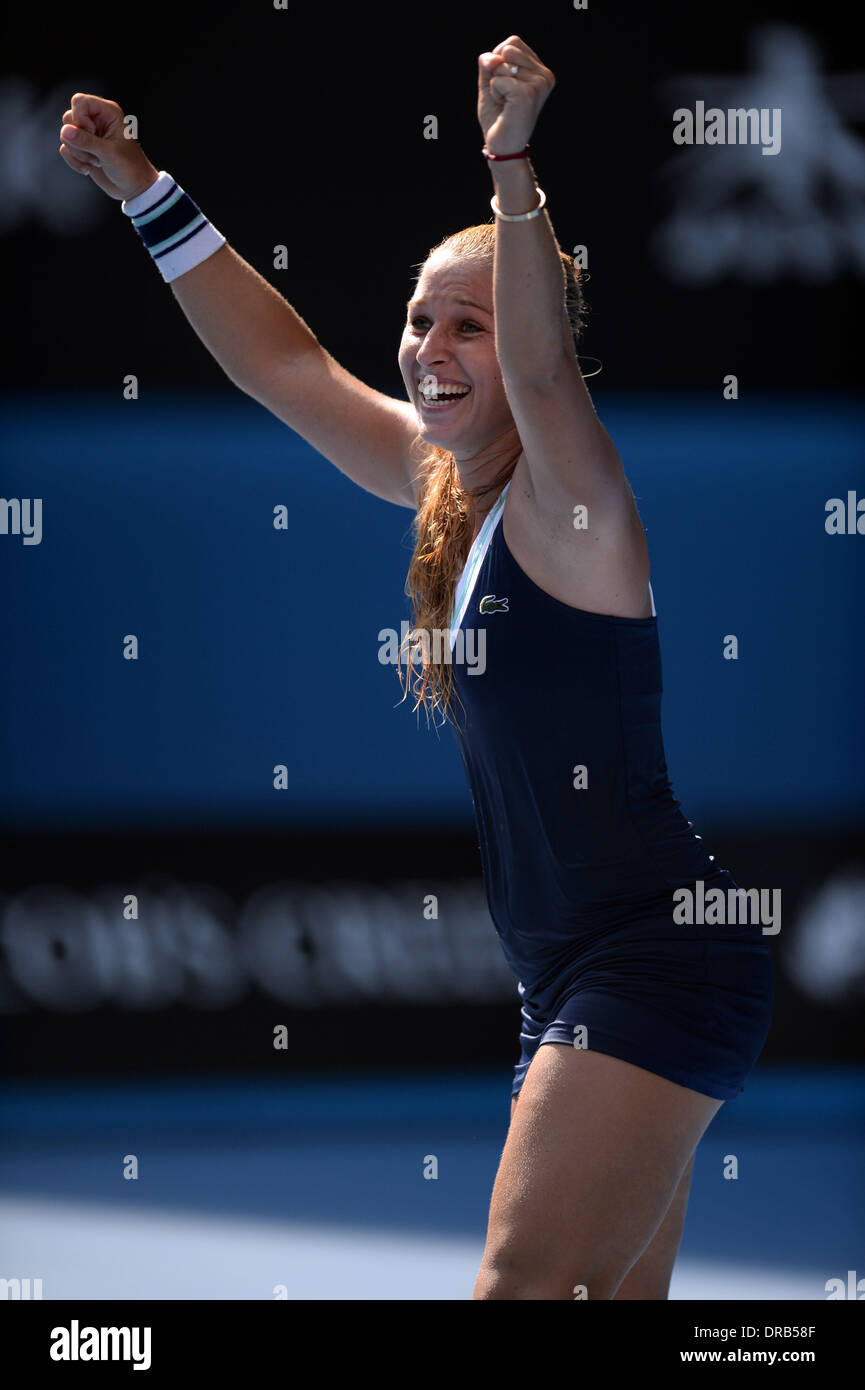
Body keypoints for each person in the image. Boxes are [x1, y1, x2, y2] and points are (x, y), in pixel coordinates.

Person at [59, 33, 774, 1301]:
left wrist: (510, 168)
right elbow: (285, 367)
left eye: (471, 324)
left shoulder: (576, 504)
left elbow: (549, 374)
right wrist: (145, 193)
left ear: (533, 340)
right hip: (575, 973)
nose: (429, 346)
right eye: (418, 317)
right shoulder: (446, 487)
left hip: (650, 956)